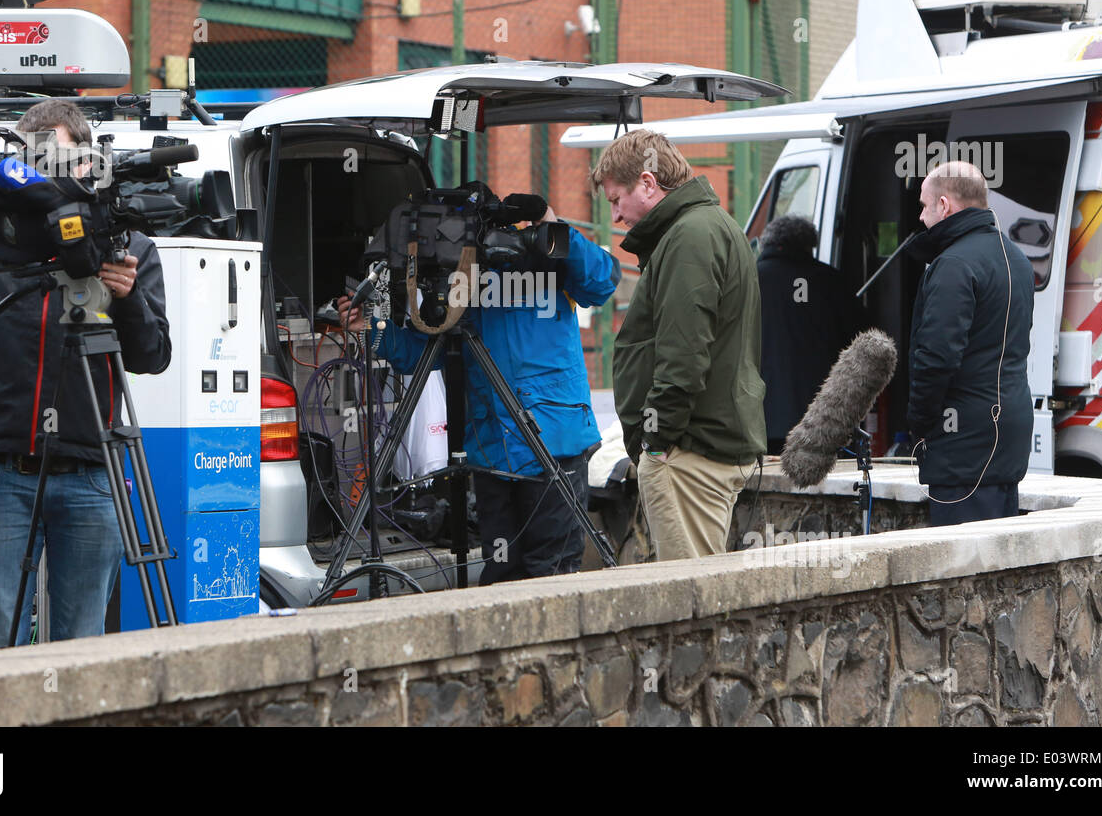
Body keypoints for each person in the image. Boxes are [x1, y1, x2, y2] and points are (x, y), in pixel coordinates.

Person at [0, 98, 172, 650]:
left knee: (82, 643)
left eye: (59, 160)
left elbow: (151, 357)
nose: (48, 176)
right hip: (2, 469)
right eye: (36, 163)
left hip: (91, 469)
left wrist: (126, 299)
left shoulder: (127, 244)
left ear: (86, 160)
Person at [339, 186, 619, 583]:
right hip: (492, 450)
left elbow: (604, 280)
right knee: (501, 574)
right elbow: (426, 351)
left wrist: (554, 229)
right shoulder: (461, 277)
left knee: (554, 577)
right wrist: (373, 328)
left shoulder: (549, 254)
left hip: (553, 443)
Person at [593, 129, 765, 560]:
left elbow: (684, 355)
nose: (615, 216)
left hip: (689, 452)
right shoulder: (704, 227)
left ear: (648, 184)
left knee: (692, 599)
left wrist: (655, 441)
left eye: (617, 200)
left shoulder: (690, 236)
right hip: (699, 443)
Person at [908, 160, 1032, 526]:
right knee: (995, 570)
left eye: (924, 205)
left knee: (959, 571)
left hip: (964, 444)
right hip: (1008, 433)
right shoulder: (1018, 259)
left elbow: (936, 357)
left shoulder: (954, 264)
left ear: (944, 206)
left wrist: (920, 424)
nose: (920, 217)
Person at [756, 214, 861, 454]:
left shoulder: (749, 280)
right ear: (808, 246)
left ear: (767, 243)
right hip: (823, 417)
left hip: (762, 419)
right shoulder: (833, 281)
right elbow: (860, 340)